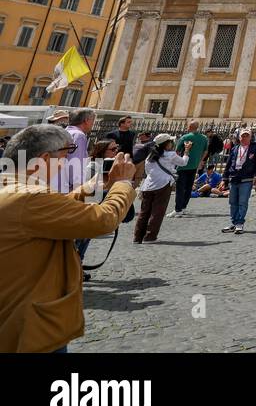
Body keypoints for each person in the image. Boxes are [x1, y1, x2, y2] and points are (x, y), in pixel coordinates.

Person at [0, 125, 136, 352]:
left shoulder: (11, 187)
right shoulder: (31, 198)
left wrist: (85, 190)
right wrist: (123, 184)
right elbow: (103, 220)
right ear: (45, 159)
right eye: (64, 157)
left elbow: (39, 213)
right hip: (28, 322)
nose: (65, 164)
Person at [134, 133, 193, 244]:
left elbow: (147, 171)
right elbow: (184, 162)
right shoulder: (170, 155)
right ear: (166, 144)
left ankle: (137, 237)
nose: (172, 143)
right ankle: (150, 237)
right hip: (163, 184)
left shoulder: (150, 156)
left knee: (144, 212)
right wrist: (186, 151)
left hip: (149, 185)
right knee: (157, 212)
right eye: (170, 142)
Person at [221, 128, 256, 234]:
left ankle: (240, 223)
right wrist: (224, 179)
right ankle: (234, 223)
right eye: (242, 136)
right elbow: (229, 164)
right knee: (232, 202)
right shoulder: (235, 148)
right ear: (239, 137)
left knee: (242, 202)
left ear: (250, 137)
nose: (244, 138)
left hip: (247, 178)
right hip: (234, 177)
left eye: (246, 136)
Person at [169, 121, 208, 217]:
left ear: (190, 127)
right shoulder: (204, 138)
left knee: (180, 188)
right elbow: (206, 151)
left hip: (182, 166)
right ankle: (183, 207)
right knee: (188, 188)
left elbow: (177, 152)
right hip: (194, 166)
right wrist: (200, 161)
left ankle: (178, 209)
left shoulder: (185, 137)